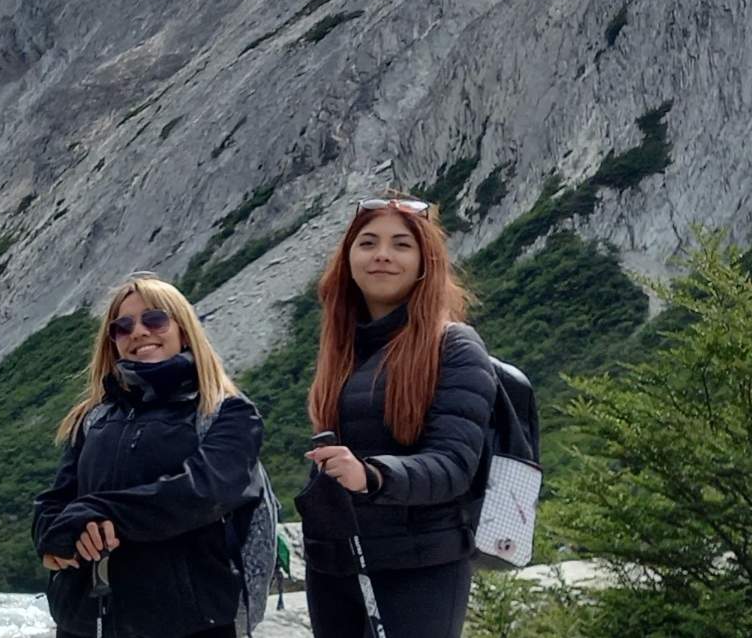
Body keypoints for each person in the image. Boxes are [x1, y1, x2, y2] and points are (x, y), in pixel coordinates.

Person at [295, 196, 496, 638]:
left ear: (426, 262)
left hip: (421, 564)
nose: (382, 254)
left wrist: (371, 475)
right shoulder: (342, 349)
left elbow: (454, 465)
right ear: (348, 259)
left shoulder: (455, 347)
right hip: (336, 562)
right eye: (368, 242)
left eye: (401, 244)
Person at [34, 273, 265, 638]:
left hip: (188, 625)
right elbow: (54, 502)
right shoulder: (91, 418)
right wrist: (52, 537)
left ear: (184, 329)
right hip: (85, 622)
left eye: (154, 319)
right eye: (122, 327)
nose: (138, 332)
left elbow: (203, 492)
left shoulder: (228, 412)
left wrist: (100, 512)